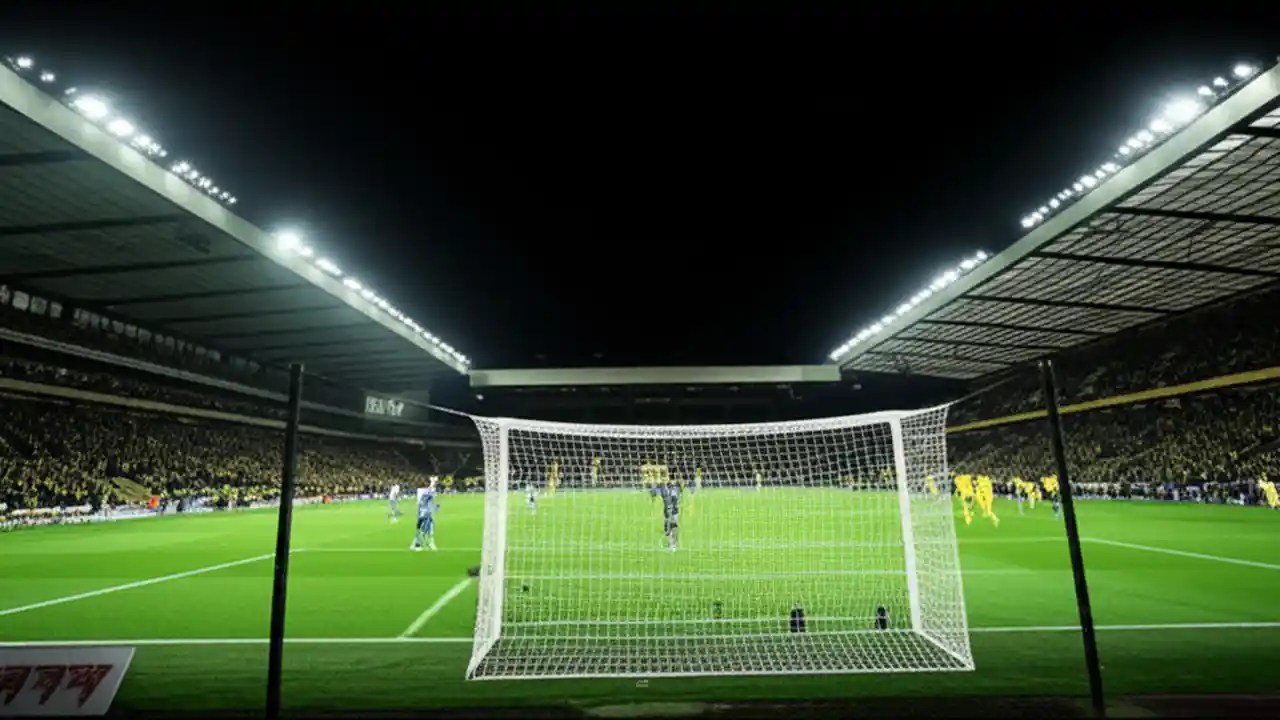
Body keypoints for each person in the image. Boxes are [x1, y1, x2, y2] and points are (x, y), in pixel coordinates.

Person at [410, 485, 438, 552]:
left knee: (423, 530)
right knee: (423, 531)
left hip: (422, 514)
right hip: (425, 515)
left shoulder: (421, 499)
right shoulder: (427, 497)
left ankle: (416, 544)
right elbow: (431, 504)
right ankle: (419, 544)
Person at [659, 481, 681, 552]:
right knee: (673, 528)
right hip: (674, 512)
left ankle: (672, 545)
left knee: (669, 529)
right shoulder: (675, 492)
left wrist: (669, 512)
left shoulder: (668, 493)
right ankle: (673, 544)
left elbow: (668, 503)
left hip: (670, 512)